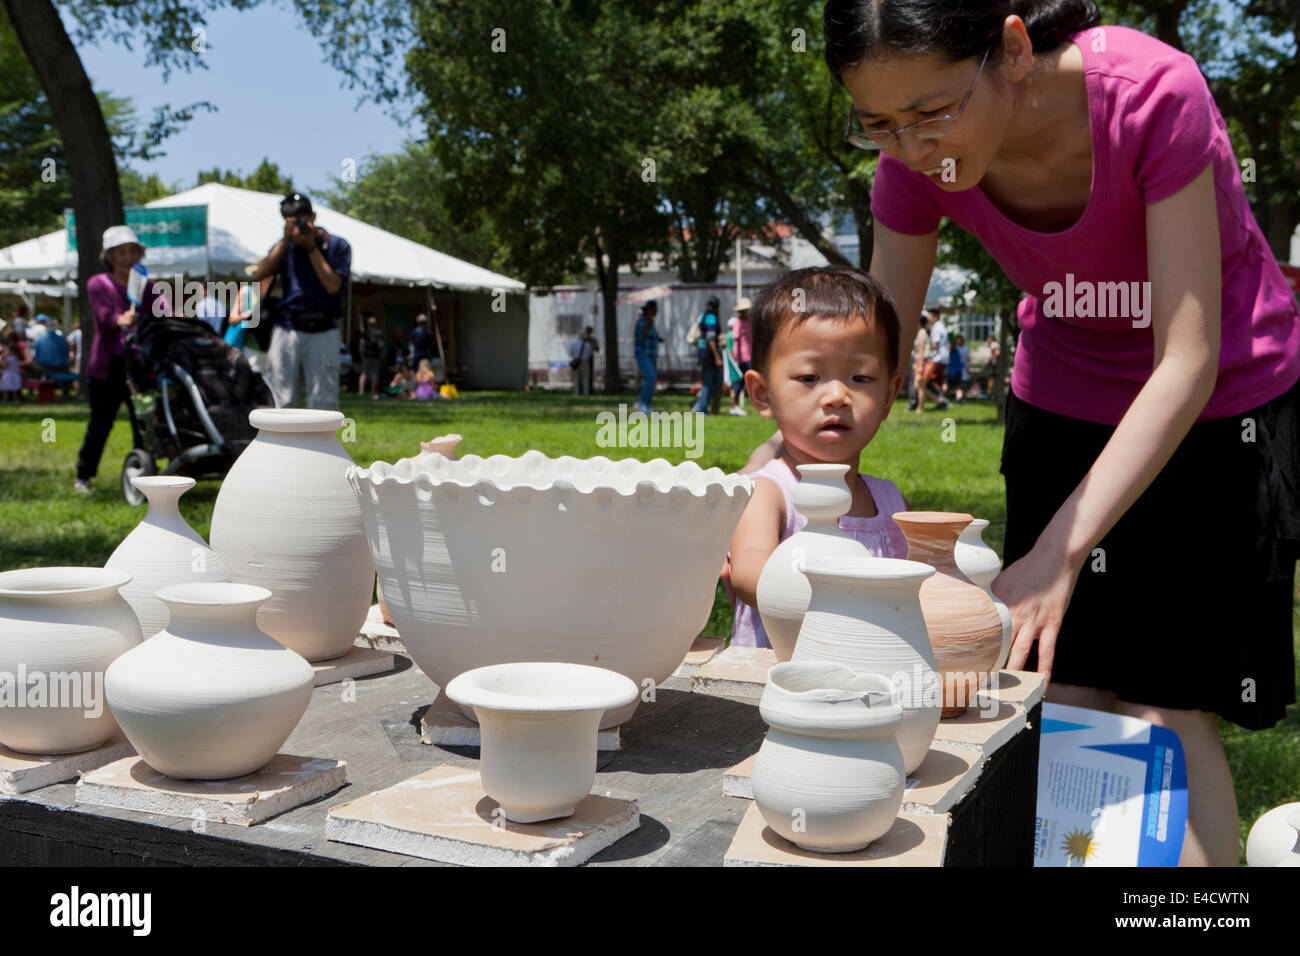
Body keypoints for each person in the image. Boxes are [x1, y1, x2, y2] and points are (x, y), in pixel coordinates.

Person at [828, 0, 1300, 865]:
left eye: (934, 113)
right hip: (1066, 398)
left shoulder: (1153, 92)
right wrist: (801, 471)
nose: (914, 148)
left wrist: (1057, 554)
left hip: (1219, 402)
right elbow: (879, 355)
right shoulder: (908, 167)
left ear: (1011, 49)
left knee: (1166, 703)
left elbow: (1187, 361)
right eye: (879, 126)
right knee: (1069, 688)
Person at [724, 267, 911, 649]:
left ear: (890, 395)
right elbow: (749, 575)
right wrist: (845, 603)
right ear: (762, 393)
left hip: (870, 682)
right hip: (772, 688)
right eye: (810, 377)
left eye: (861, 378)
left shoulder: (890, 502)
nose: (837, 396)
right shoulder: (770, 493)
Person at [74, 225, 170, 492]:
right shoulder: (98, 284)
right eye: (122, 252)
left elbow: (165, 310)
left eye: (132, 252)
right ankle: (84, 474)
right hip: (108, 367)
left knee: (144, 423)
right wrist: (120, 319)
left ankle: (144, 475)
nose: (128, 258)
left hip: (140, 365)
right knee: (101, 423)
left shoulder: (147, 286)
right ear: (110, 257)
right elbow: (104, 316)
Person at [250, 192, 351, 410]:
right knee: (281, 397)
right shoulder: (285, 247)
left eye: (302, 218)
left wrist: (311, 247)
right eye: (291, 219)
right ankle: (283, 443)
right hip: (287, 327)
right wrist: (286, 240)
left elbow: (332, 285)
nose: (298, 223)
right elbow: (259, 274)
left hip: (324, 327)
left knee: (323, 400)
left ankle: (321, 444)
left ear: (313, 216)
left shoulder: (336, 246)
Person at [691, 296, 724, 414]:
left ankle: (699, 405)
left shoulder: (703, 316)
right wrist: (717, 357)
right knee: (710, 382)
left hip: (703, 353)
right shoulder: (712, 318)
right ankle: (700, 408)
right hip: (710, 355)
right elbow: (710, 339)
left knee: (710, 381)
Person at [633, 300, 664, 413]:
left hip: (651, 355)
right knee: (650, 378)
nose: (657, 311)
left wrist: (658, 339)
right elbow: (640, 336)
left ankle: (642, 403)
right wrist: (649, 323)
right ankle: (643, 404)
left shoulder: (650, 321)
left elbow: (650, 336)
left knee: (651, 379)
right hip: (643, 355)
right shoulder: (643, 321)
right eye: (655, 308)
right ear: (650, 309)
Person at [727, 297, 754, 415]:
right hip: (742, 357)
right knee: (745, 380)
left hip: (750, 354)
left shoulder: (749, 322)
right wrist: (741, 333)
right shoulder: (738, 322)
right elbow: (735, 336)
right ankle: (735, 405)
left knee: (743, 381)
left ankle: (735, 406)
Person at [907, 313, 929, 410]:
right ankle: (919, 407)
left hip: (922, 363)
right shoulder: (921, 332)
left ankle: (920, 408)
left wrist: (919, 365)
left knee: (919, 386)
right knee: (918, 385)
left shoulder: (922, 333)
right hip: (921, 361)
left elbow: (922, 350)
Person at [359, 312, 384, 398]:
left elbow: (361, 344)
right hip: (375, 355)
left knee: (364, 373)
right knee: (374, 373)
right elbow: (381, 345)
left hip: (366, 355)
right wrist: (380, 352)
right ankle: (372, 391)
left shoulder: (365, 333)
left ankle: (361, 391)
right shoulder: (379, 333)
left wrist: (361, 353)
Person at [569, 326, 598, 395]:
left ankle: (576, 393)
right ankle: (586, 393)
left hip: (576, 361)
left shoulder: (573, 344)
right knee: (585, 379)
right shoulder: (588, 344)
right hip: (585, 362)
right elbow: (589, 354)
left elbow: (571, 353)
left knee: (576, 379)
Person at [0, 333, 22, 401]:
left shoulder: (10, 359)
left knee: (6, 390)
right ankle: (16, 399)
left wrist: (1, 359)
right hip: (15, 375)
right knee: (14, 390)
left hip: (8, 375)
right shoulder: (15, 358)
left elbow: (4, 365)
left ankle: (5, 399)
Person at [947, 331, 968, 402]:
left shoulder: (952, 348)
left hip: (953, 370)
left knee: (951, 385)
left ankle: (957, 398)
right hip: (955, 370)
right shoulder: (956, 348)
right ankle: (958, 398)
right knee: (957, 385)